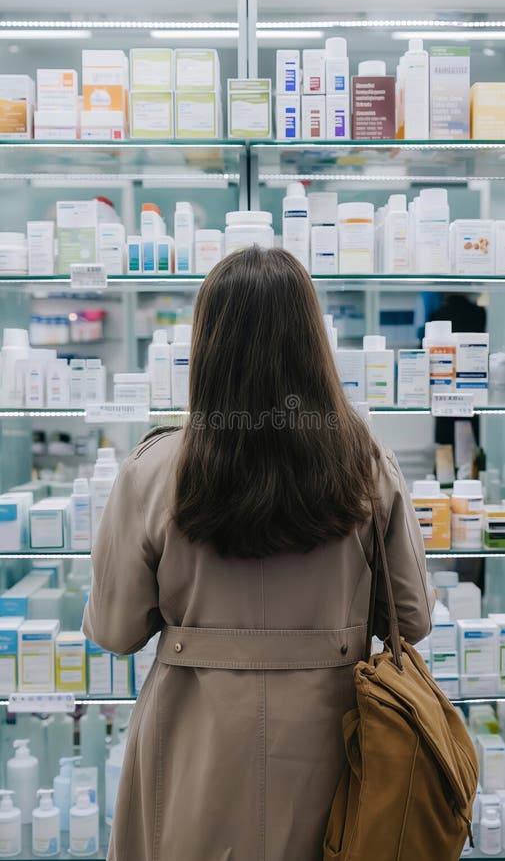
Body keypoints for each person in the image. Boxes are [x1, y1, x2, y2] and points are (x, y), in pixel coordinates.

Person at [83, 246, 434, 861]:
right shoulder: (365, 463)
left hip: (193, 747)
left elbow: (115, 632)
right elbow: (413, 619)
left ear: (207, 346)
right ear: (312, 346)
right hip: (336, 747)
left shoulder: (154, 470)